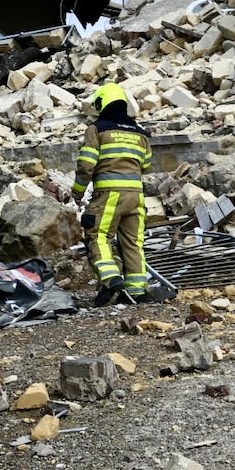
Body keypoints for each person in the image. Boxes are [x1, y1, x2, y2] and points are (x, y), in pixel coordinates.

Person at [71, 83, 154, 307]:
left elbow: (86, 165)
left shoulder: (97, 130)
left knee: (97, 235)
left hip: (109, 195)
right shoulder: (140, 133)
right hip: (136, 197)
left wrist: (78, 191)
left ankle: (110, 279)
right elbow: (145, 165)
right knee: (133, 243)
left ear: (102, 103)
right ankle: (138, 291)